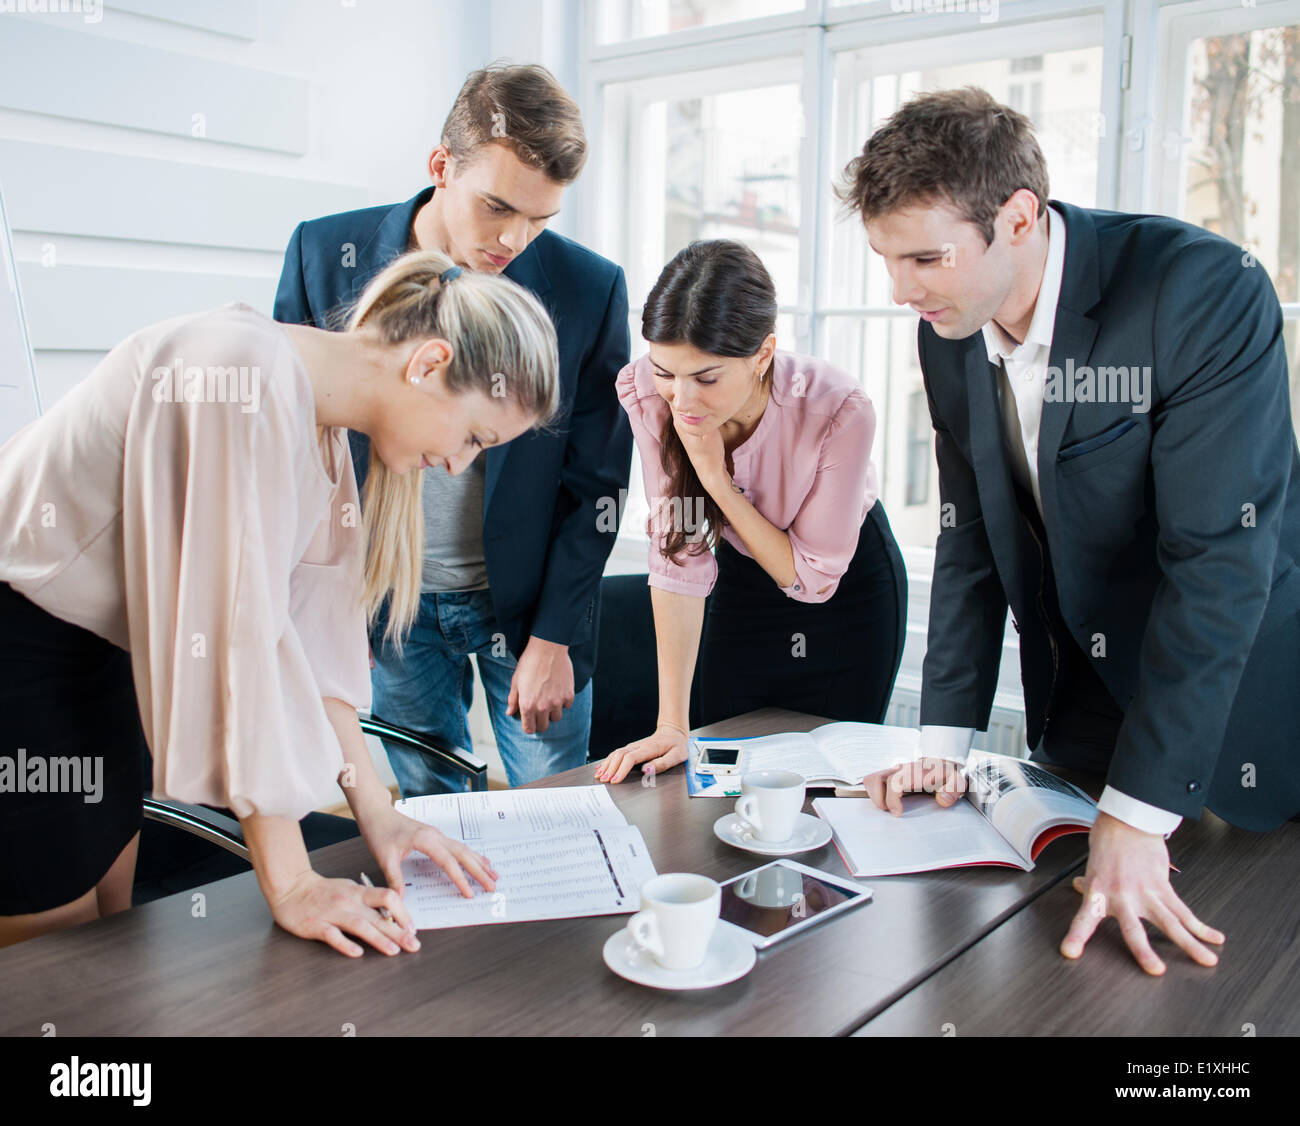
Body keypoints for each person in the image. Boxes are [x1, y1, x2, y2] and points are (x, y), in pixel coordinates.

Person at [837, 87, 1300, 975]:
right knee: (1055, 969)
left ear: (1017, 219)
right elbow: (970, 535)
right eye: (886, 261)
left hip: (1241, 705)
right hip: (1080, 701)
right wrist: (942, 749)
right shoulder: (950, 326)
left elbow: (1218, 567)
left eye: (925, 258)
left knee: (1246, 968)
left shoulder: (1196, 291)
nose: (900, 292)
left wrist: (1139, 810)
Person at [0, 249, 561, 955]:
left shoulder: (324, 440)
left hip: (107, 651)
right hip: (22, 641)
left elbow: (316, 657)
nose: (459, 465)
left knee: (114, 927)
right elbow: (235, 645)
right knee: (53, 948)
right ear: (427, 363)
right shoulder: (238, 373)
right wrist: (292, 882)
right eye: (475, 436)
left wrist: (378, 816)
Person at [274, 63, 631, 796]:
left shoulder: (591, 289)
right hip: (389, 602)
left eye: (540, 219)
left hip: (531, 610)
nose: (514, 239)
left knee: (556, 812)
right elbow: (296, 449)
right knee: (432, 814)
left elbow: (598, 483)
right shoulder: (322, 254)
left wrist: (555, 637)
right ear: (441, 167)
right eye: (497, 206)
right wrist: (335, 611)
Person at [594, 240, 907, 784]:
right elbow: (679, 557)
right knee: (720, 776)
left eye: (706, 377)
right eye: (666, 370)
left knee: (832, 789)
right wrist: (672, 723)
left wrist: (717, 478)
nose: (681, 400)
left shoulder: (838, 406)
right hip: (740, 577)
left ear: (763, 355)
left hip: (846, 593)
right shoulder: (647, 392)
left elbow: (810, 579)